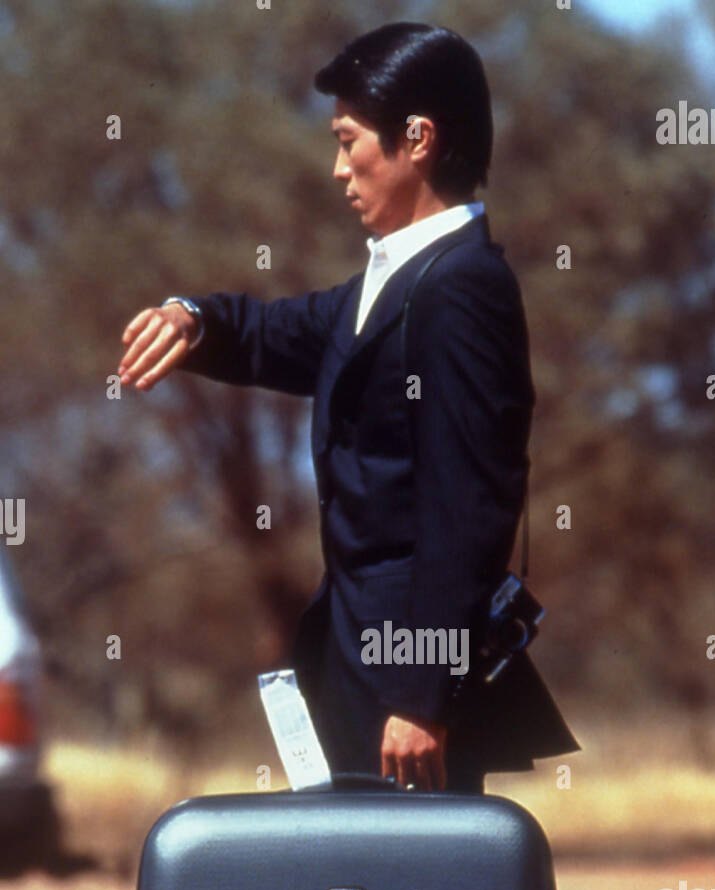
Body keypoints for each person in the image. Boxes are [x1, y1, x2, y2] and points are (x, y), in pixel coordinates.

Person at [117, 22, 579, 794]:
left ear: (419, 138)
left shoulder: (461, 290)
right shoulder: (395, 280)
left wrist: (423, 695)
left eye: (348, 141)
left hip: (409, 686)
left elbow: (467, 506)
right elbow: (275, 333)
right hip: (357, 662)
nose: (338, 169)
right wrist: (190, 316)